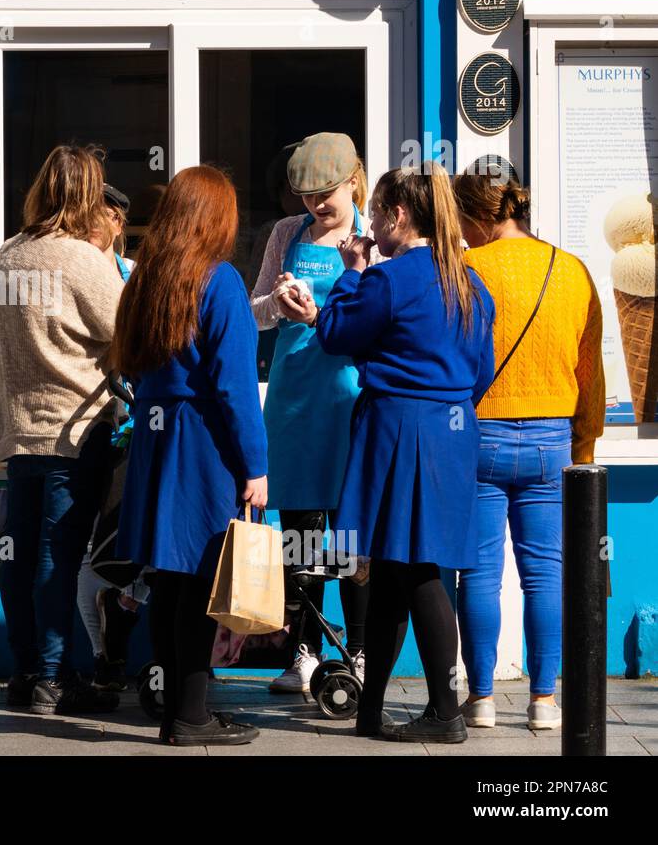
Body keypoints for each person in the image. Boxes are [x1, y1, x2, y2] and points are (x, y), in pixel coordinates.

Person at [317, 164, 495, 744]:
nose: (370, 223)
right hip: (452, 428)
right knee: (398, 569)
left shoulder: (388, 280)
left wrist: (350, 273)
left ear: (397, 216)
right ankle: (374, 711)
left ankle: (446, 713)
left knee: (415, 570)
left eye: (375, 213)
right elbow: (481, 373)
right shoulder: (470, 283)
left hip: (398, 427)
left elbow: (336, 335)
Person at [0, 144, 125, 715]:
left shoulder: (10, 254)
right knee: (58, 559)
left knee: (19, 556)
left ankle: (25, 671)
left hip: (16, 435)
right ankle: (54, 680)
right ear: (89, 194)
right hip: (73, 434)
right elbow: (127, 330)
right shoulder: (82, 258)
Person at [112, 165, 268, 746]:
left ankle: (177, 709)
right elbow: (234, 386)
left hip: (156, 439)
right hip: (202, 441)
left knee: (171, 581)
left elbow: (125, 362)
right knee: (201, 584)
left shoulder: (146, 278)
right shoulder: (220, 281)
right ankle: (191, 716)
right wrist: (256, 464)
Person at [452, 170, 604, 732]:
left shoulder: (468, 269)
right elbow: (591, 376)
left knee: (481, 574)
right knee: (546, 574)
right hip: (551, 439)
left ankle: (483, 698)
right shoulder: (573, 271)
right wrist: (582, 446)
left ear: (477, 218)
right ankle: (543, 701)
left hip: (480, 436)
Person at [249, 133, 374, 694]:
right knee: (299, 532)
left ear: (354, 180)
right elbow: (252, 314)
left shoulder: (375, 238)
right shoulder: (284, 234)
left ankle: (359, 652)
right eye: (305, 196)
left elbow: (380, 320)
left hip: (348, 397)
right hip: (294, 400)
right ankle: (302, 651)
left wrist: (322, 311)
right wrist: (275, 304)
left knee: (350, 535)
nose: (315, 205)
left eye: (326, 193)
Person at [76, 182, 148, 690]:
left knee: (140, 554)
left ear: (119, 223)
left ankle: (123, 616)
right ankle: (106, 659)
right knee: (87, 561)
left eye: (97, 217)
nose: (86, 227)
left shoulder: (135, 279)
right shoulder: (60, 272)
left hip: (133, 439)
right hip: (81, 436)